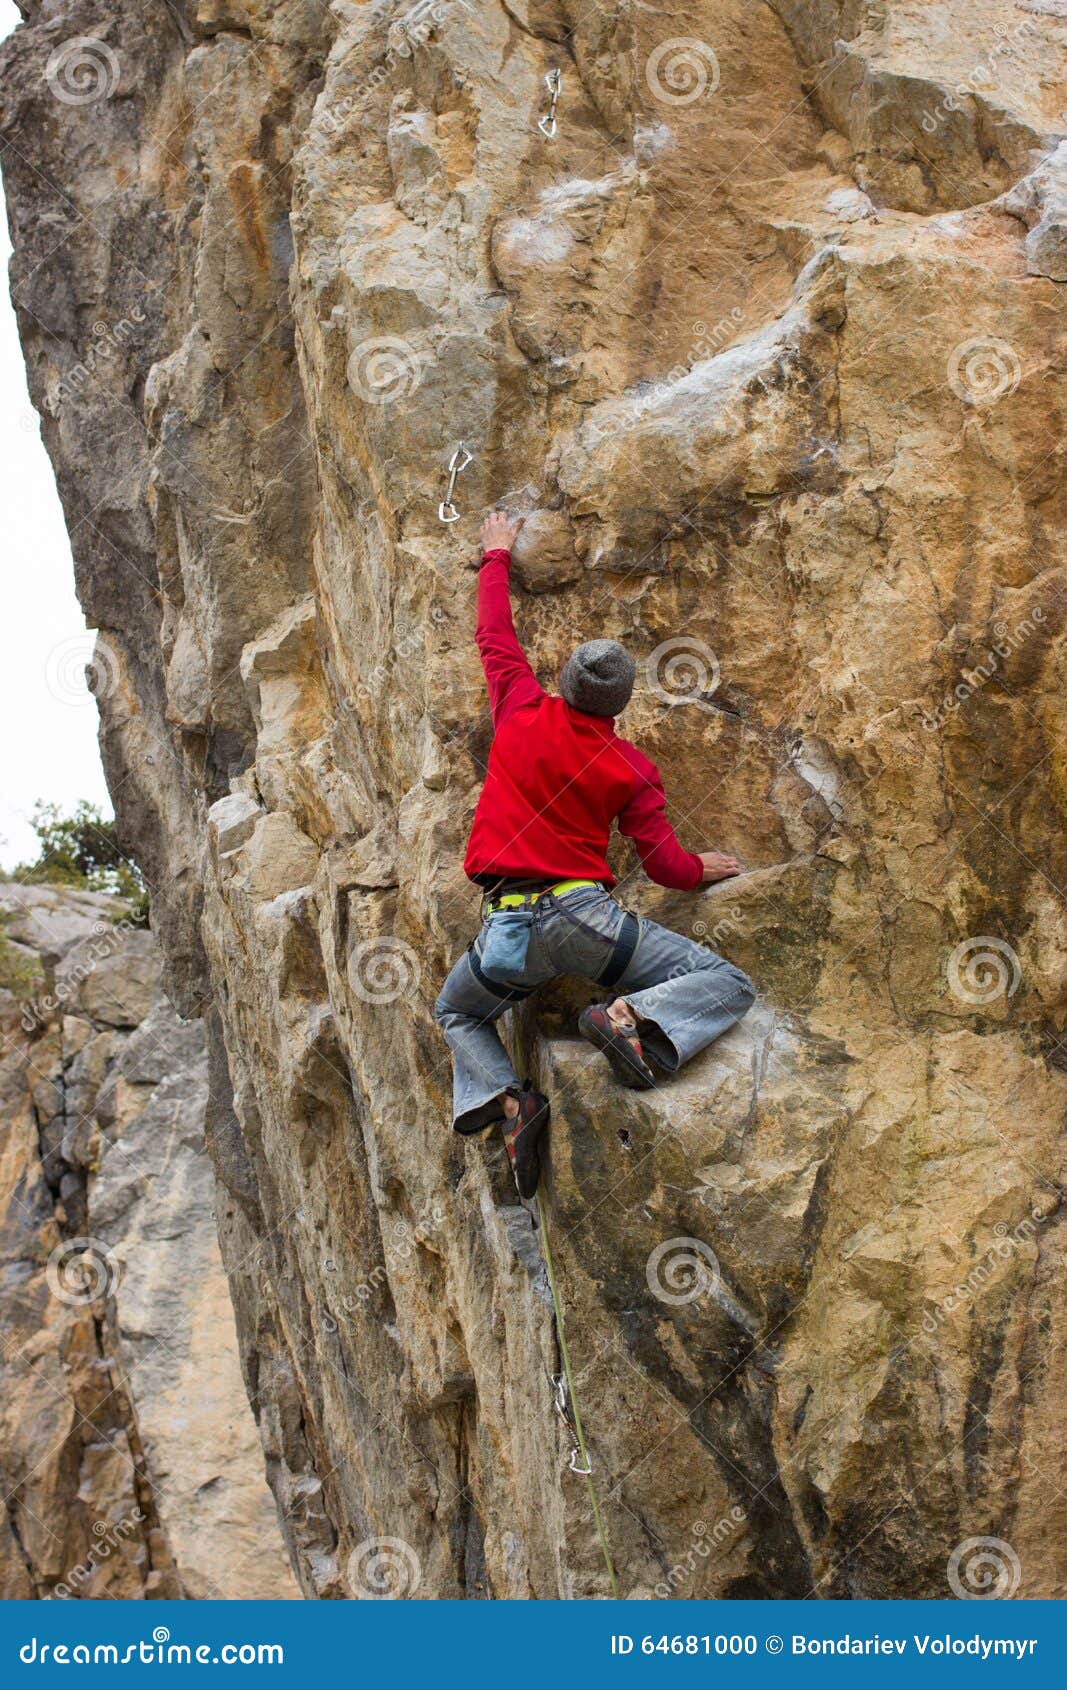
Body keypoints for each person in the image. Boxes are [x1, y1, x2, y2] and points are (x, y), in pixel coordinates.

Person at [434, 511, 756, 1198]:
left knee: (457, 1012)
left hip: (506, 936)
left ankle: (511, 1100)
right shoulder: (629, 765)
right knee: (729, 984)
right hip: (588, 927)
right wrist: (709, 866)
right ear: (620, 705)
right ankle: (626, 1019)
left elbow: (493, 635)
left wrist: (495, 555)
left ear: (563, 680)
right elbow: (665, 867)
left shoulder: (520, 707)